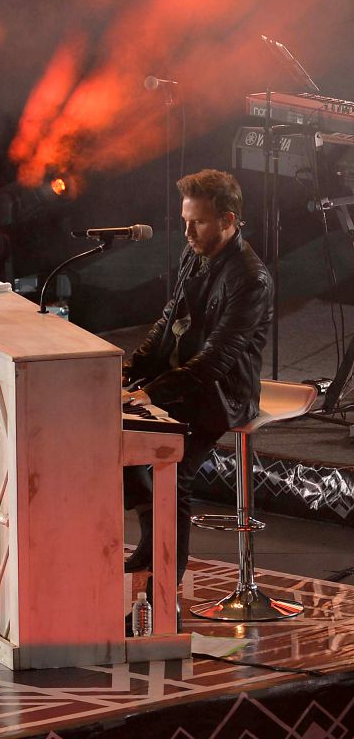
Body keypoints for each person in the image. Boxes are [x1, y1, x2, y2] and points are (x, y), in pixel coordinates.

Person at [122, 169, 272, 602]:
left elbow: (218, 359)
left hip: (221, 393)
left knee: (171, 471)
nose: (187, 231)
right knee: (124, 441)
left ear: (228, 220)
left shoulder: (250, 279)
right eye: (185, 221)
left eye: (198, 222)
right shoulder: (198, 252)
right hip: (184, 380)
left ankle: (165, 594)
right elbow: (168, 320)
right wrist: (132, 371)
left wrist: (153, 392)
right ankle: (152, 548)